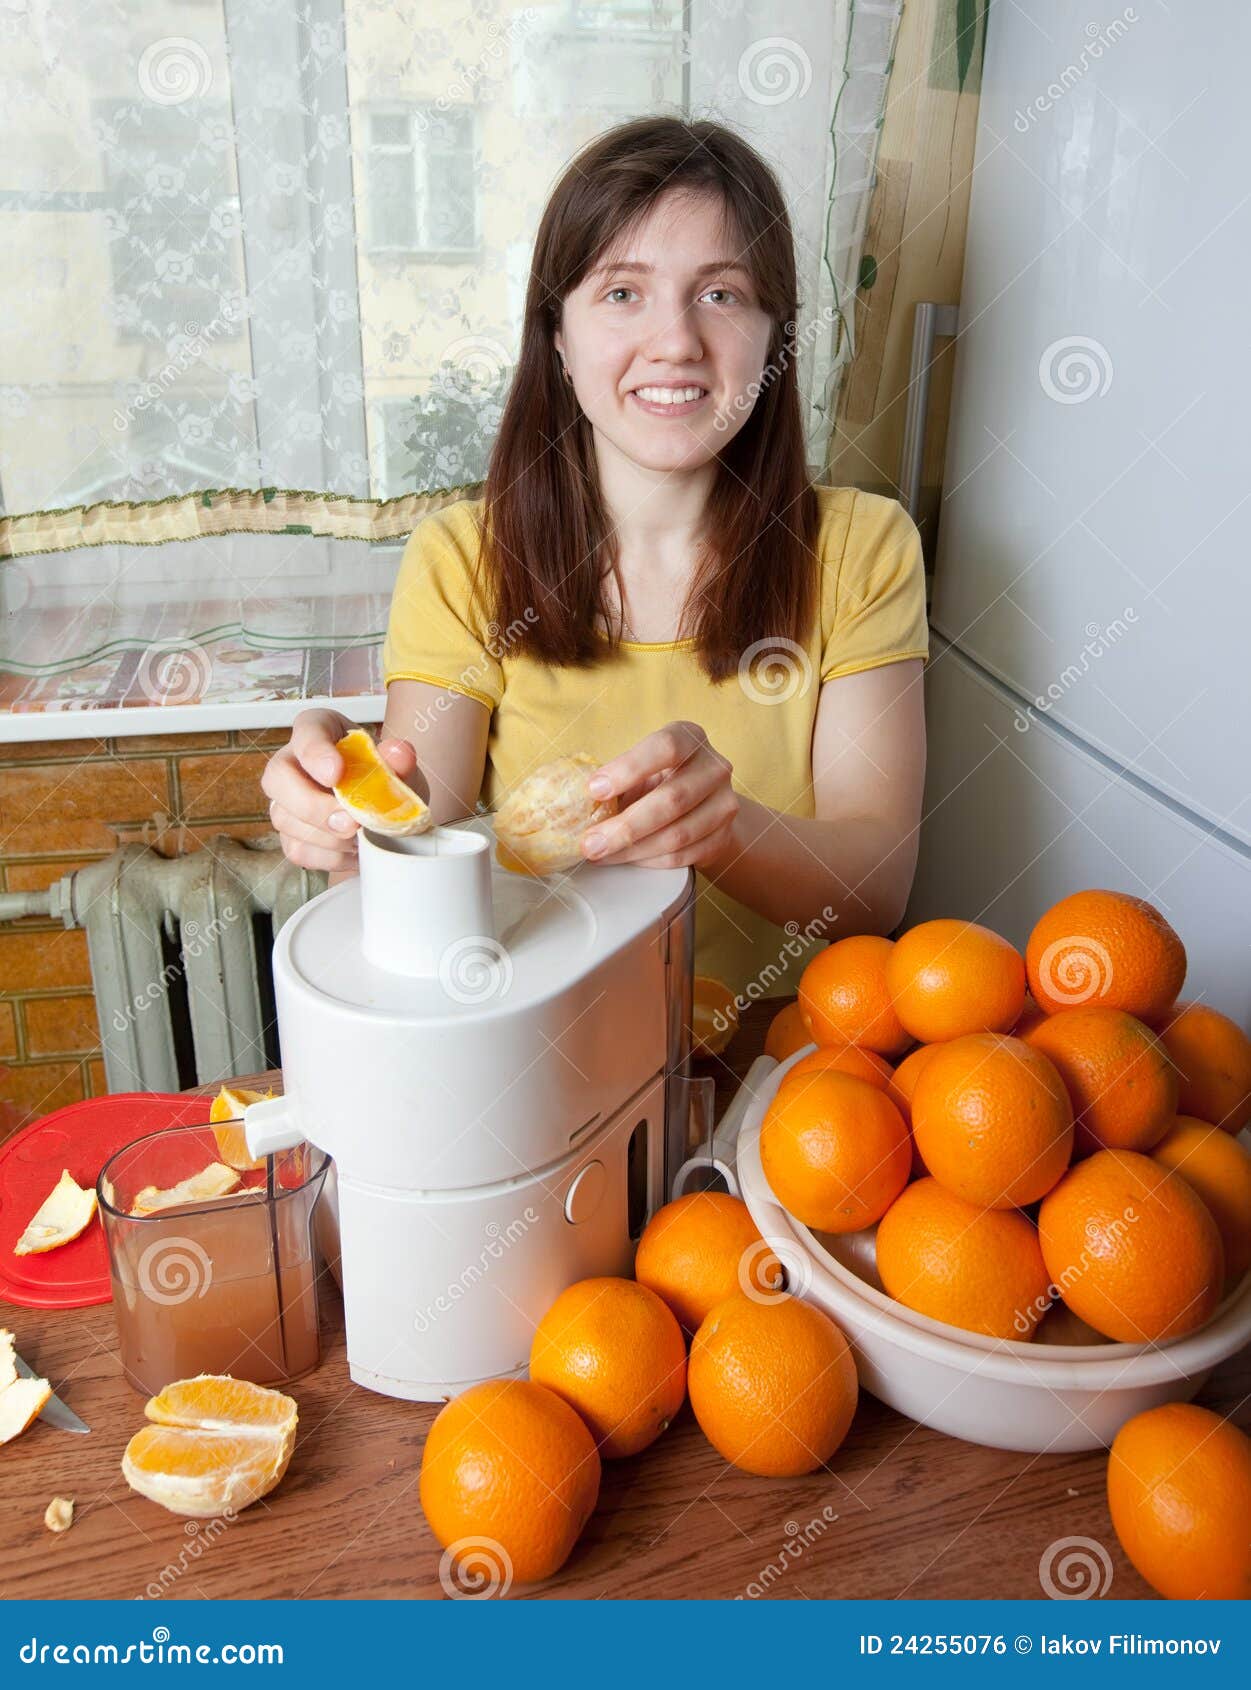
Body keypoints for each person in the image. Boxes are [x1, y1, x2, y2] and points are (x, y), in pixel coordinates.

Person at [263, 115, 928, 1002]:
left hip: (792, 1067)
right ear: (559, 338)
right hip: (535, 1050)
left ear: (777, 333)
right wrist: (340, 809)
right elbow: (420, 825)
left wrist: (719, 829)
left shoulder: (863, 547)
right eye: (622, 293)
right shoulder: (463, 560)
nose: (676, 341)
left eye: (720, 294)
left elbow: (874, 891)